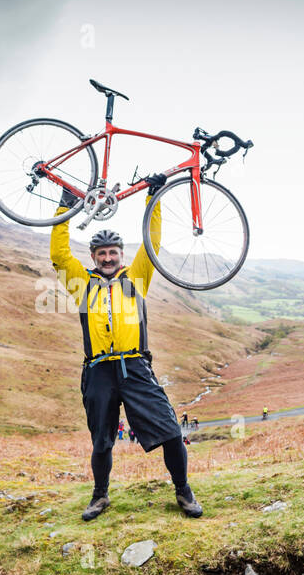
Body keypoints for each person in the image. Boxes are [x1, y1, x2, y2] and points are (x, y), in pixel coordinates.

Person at [51, 176, 200, 520]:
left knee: (171, 432)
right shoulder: (82, 284)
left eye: (113, 253)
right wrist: (64, 205)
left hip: (135, 368)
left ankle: (183, 490)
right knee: (102, 440)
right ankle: (100, 496)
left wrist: (154, 198)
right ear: (92, 256)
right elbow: (59, 254)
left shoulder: (137, 278)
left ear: (121, 255)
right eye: (101, 253)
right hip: (99, 370)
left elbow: (153, 244)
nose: (107, 258)